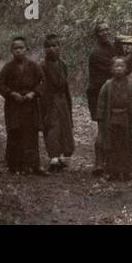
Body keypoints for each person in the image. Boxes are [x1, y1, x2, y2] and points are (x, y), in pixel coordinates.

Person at [0, 36, 45, 175]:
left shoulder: (34, 66)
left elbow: (42, 81)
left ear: (26, 49)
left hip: (30, 105)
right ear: (11, 51)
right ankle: (15, 166)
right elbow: (1, 84)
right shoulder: (7, 67)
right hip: (14, 106)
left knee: (31, 134)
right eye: (16, 48)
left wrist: (34, 93)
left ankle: (34, 165)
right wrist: (11, 94)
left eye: (21, 48)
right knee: (14, 133)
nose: (19, 51)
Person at [95, 56, 132, 181]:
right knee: (112, 146)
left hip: (127, 119)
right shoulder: (107, 85)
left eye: (121, 66)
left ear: (126, 69)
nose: (119, 69)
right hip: (111, 120)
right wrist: (100, 118)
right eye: (116, 66)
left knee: (126, 146)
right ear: (112, 69)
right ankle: (113, 172)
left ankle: (127, 172)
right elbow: (101, 103)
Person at [86, 22, 122, 175]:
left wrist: (121, 47)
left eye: (107, 29)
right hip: (98, 95)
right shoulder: (96, 53)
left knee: (113, 127)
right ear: (97, 34)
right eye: (102, 30)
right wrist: (131, 55)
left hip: (112, 93)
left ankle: (111, 162)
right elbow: (116, 68)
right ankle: (99, 163)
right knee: (102, 128)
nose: (105, 32)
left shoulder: (111, 47)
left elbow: (123, 66)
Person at [40, 33, 75, 172]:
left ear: (59, 47)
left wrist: (67, 101)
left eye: (54, 46)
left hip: (62, 99)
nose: (51, 49)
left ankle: (61, 156)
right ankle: (53, 157)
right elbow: (42, 86)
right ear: (44, 49)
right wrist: (45, 104)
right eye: (48, 46)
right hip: (49, 100)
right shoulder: (42, 65)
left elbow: (65, 85)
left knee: (64, 127)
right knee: (52, 127)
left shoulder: (63, 64)